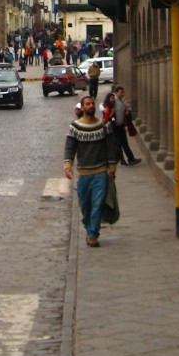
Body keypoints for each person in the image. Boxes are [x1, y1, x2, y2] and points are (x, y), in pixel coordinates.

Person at [64, 95, 118, 248]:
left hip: (100, 171)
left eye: (92, 103)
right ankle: (89, 227)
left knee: (97, 204)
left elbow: (110, 148)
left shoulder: (103, 126)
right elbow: (70, 148)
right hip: (83, 173)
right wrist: (67, 165)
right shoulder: (75, 127)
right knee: (85, 205)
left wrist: (112, 168)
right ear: (82, 108)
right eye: (87, 104)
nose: (91, 106)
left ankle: (93, 234)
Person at [112, 86, 140, 165]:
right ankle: (122, 160)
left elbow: (124, 113)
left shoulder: (121, 102)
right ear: (116, 92)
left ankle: (131, 159)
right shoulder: (113, 101)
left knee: (125, 143)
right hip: (115, 126)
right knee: (118, 144)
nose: (122, 94)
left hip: (121, 125)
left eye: (123, 92)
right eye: (121, 92)